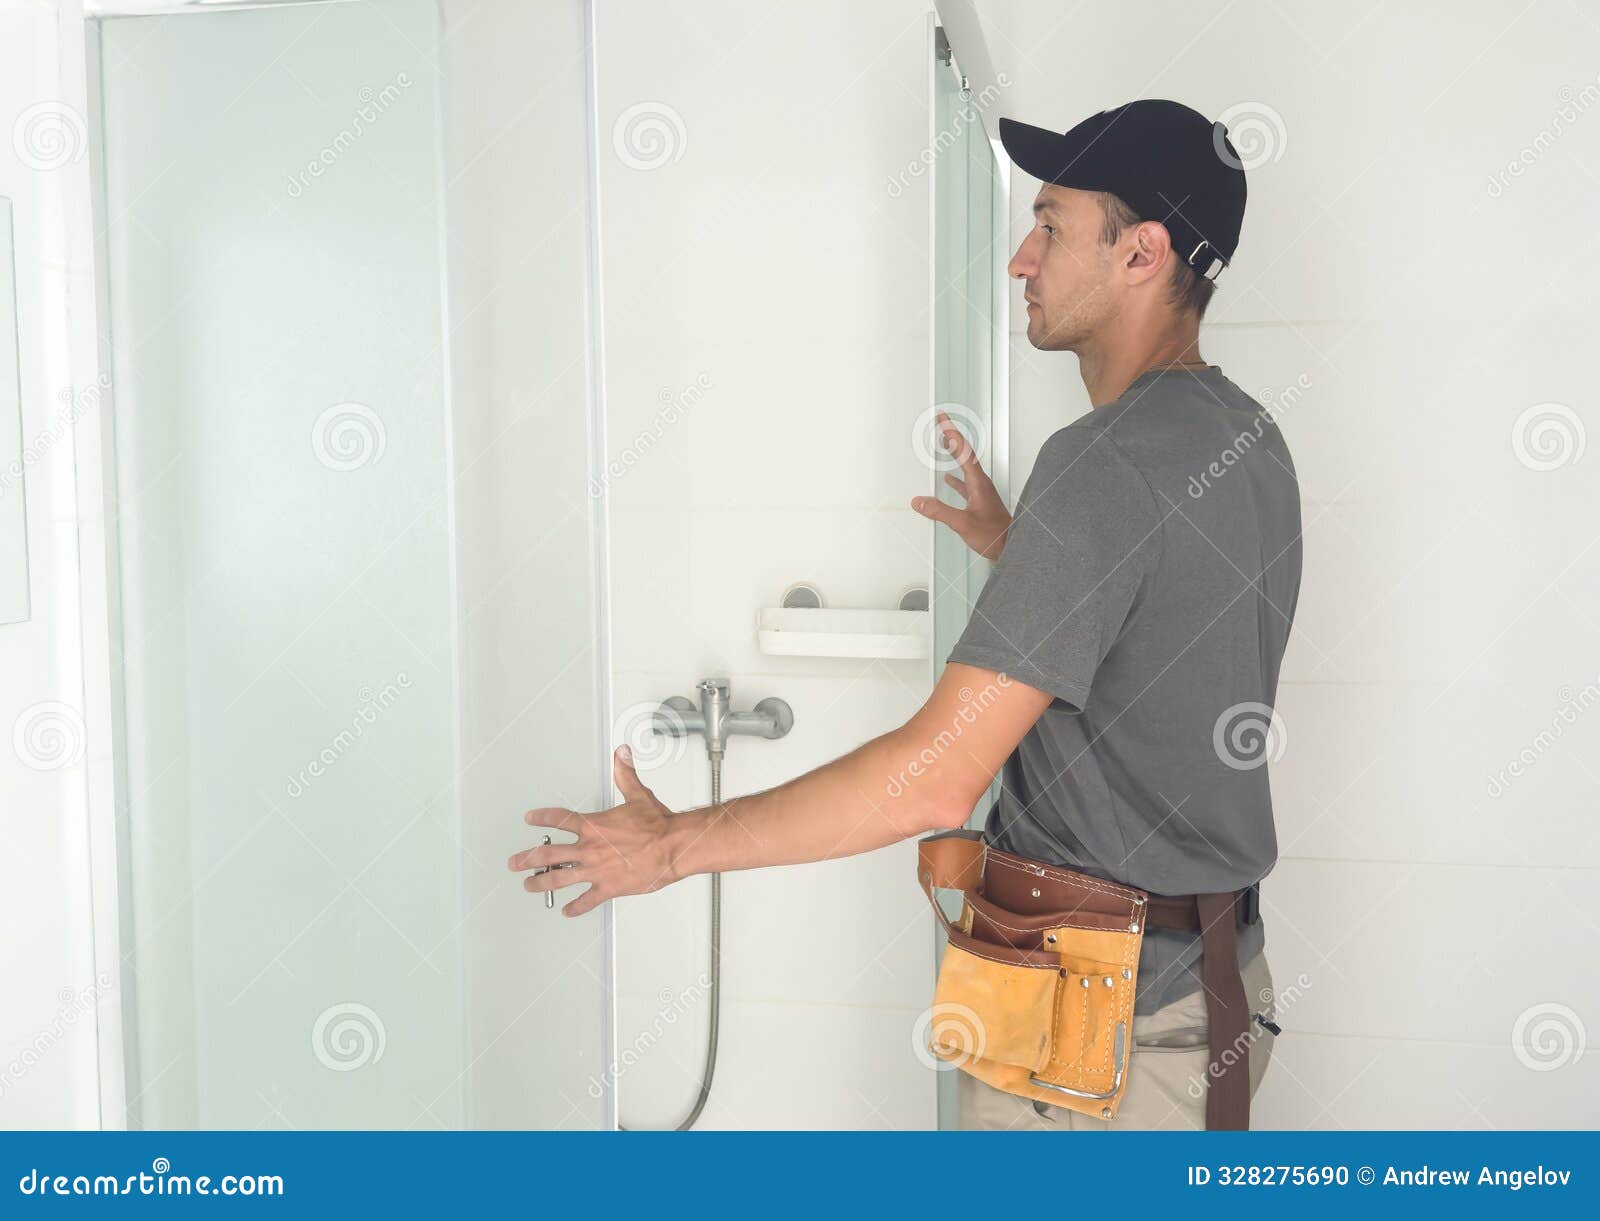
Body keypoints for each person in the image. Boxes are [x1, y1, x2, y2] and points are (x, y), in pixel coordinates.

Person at [509, 98, 1302, 1131]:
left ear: (1141, 253)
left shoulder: (1103, 466)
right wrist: (1023, 554)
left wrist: (669, 848)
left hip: (1101, 1041)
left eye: (1052, 225)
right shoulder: (1246, 439)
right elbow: (1160, 644)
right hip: (1213, 996)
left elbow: (933, 780)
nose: (1023, 258)